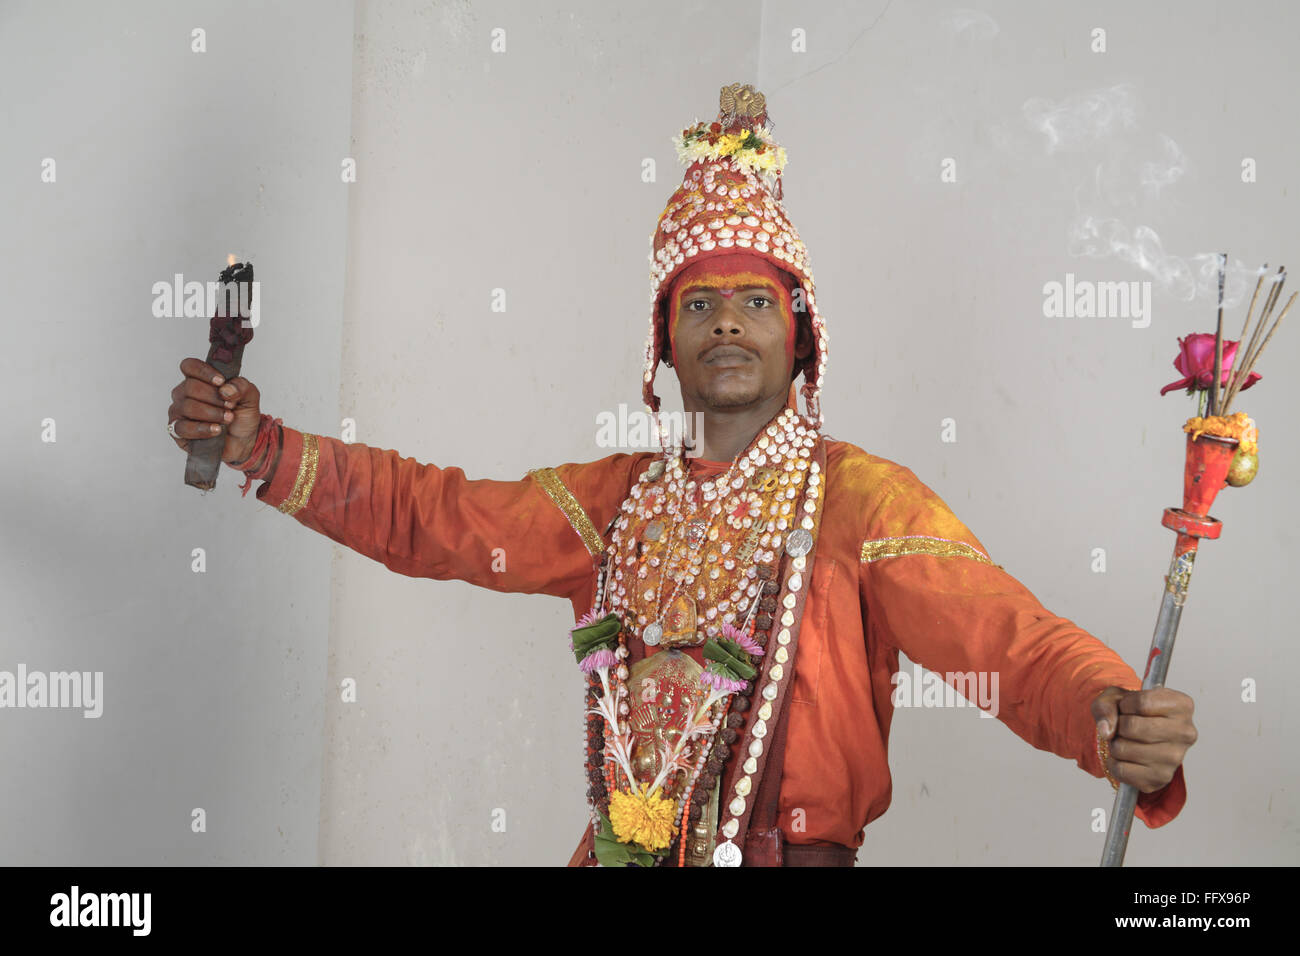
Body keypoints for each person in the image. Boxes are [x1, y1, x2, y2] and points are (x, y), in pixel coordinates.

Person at [165, 83, 1195, 867]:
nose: (728, 324)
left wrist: (1101, 705)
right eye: (697, 307)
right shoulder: (617, 502)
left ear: (801, 336)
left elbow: (1002, 639)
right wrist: (267, 445)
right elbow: (437, 516)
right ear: (662, 344)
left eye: (755, 299)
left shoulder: (858, 500)